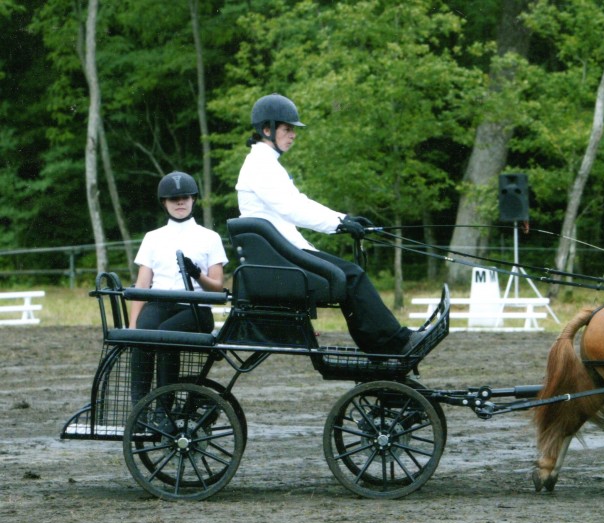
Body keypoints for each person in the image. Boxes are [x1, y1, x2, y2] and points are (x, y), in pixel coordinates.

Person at [235, 93, 422, 354]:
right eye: (287, 129)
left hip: (282, 252)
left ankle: (382, 346)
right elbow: (293, 208)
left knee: (349, 274)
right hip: (280, 258)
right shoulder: (261, 166)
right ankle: (393, 344)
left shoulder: (265, 163)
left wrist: (343, 219)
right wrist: (339, 224)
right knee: (351, 276)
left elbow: (298, 202)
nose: (294, 135)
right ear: (267, 129)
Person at [129, 171, 229, 407]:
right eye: (174, 199)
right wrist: (133, 326)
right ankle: (138, 408)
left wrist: (197, 275)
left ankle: (164, 407)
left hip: (194, 309)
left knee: (166, 335)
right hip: (159, 304)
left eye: (185, 197)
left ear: (193, 199)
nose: (180, 202)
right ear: (164, 202)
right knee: (144, 333)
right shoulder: (152, 238)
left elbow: (217, 288)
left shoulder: (210, 237)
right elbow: (142, 285)